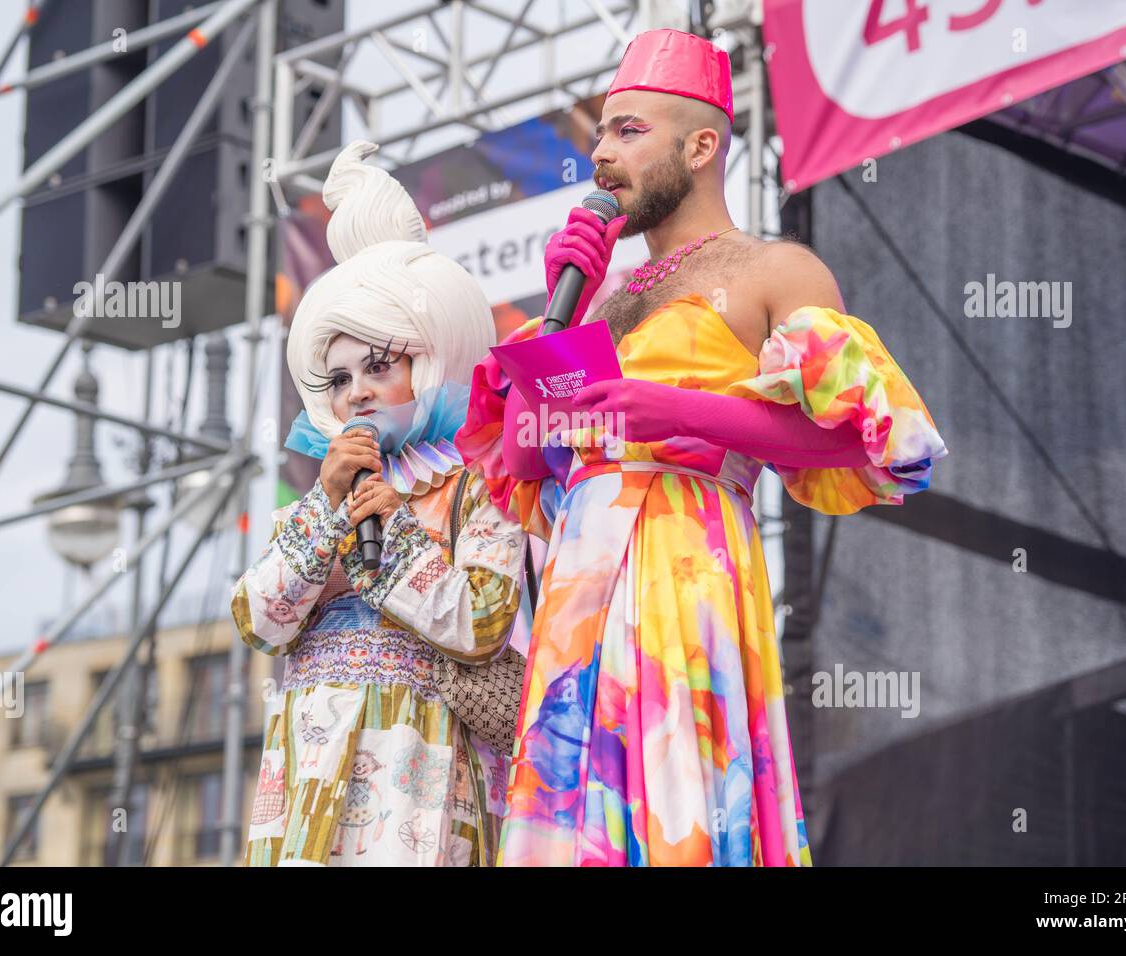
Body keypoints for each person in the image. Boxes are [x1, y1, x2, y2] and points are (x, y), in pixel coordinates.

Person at [456, 29, 949, 866]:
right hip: (579, 587)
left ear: (702, 144)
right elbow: (526, 464)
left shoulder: (772, 269)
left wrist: (677, 415)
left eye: (627, 132)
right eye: (599, 136)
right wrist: (559, 317)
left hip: (688, 559)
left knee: (678, 795)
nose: (602, 156)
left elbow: (867, 439)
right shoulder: (600, 299)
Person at [231, 141, 527, 866]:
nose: (356, 391)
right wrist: (332, 509)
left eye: (379, 365)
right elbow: (259, 622)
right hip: (306, 768)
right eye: (336, 378)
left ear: (431, 361)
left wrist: (389, 527)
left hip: (419, 767)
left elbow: (484, 620)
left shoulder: (474, 487)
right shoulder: (316, 501)